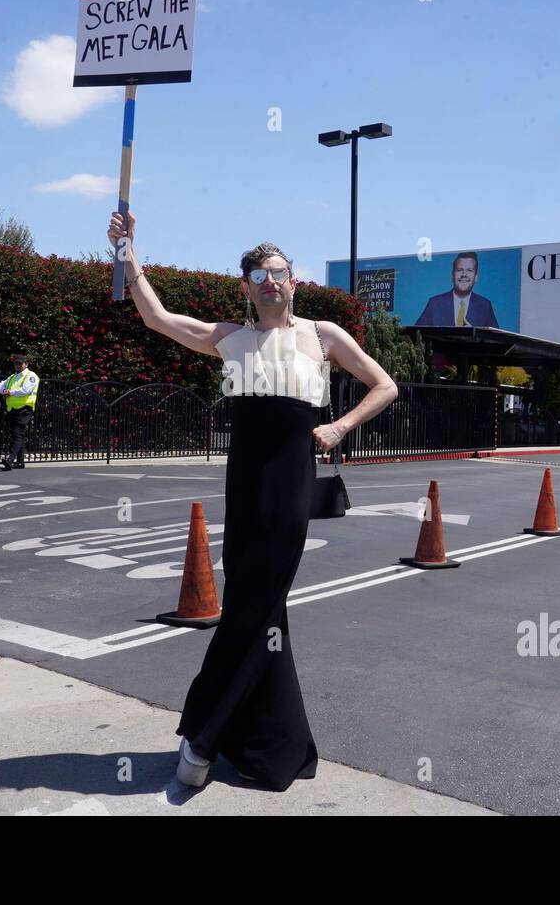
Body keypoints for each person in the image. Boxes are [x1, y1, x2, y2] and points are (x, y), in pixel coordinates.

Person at [107, 209, 398, 791]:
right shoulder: (230, 338)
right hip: (243, 481)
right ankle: (275, 744)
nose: (271, 281)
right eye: (260, 274)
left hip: (291, 479)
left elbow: (385, 385)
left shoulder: (323, 335)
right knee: (257, 604)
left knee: (258, 601)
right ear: (246, 287)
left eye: (280, 272)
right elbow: (158, 318)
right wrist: (126, 252)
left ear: (294, 281)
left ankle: (203, 736)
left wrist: (339, 428)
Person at [414, 251, 499, 327]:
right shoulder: (434, 303)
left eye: (469, 270)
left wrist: (474, 335)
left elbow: (496, 341)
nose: (464, 274)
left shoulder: (485, 306)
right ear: (452, 275)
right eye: (459, 270)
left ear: (476, 277)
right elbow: (415, 337)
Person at [0, 354, 39, 470]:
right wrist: (4, 390)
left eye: (20, 363)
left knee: (17, 434)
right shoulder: (12, 377)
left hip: (25, 409)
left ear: (26, 364)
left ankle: (10, 459)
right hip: (13, 409)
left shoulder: (31, 375)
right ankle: (20, 462)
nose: (18, 365)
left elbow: (26, 390)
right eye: (16, 363)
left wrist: (10, 392)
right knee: (18, 435)